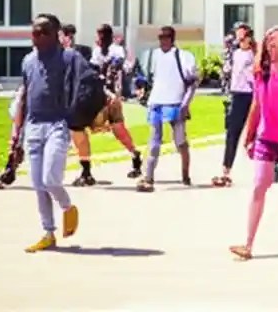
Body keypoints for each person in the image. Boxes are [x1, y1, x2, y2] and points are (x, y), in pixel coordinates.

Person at [230, 26, 278, 261]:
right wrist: (249, 134)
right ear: (265, 46)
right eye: (272, 46)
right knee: (259, 185)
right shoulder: (260, 72)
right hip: (266, 136)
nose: (276, 51)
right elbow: (256, 105)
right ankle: (248, 244)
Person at [18, 14, 81, 252]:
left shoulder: (68, 58)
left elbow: (85, 84)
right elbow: (25, 96)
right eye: (34, 32)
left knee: (50, 179)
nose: (37, 36)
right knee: (38, 185)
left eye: (44, 32)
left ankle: (67, 207)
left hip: (58, 123)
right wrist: (17, 133)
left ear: (56, 35)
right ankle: (48, 233)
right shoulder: (27, 61)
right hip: (33, 126)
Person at [71, 24, 142, 186]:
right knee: (112, 128)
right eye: (98, 36)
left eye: (102, 36)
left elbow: (113, 71)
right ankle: (134, 154)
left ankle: (133, 154)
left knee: (115, 130)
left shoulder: (116, 50)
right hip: (100, 94)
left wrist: (106, 89)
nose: (99, 40)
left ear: (109, 37)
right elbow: (94, 71)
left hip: (111, 97)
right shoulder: (96, 52)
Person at [137, 26, 198, 192]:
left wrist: (185, 104)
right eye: (160, 37)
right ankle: (148, 177)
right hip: (156, 102)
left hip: (175, 103)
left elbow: (193, 82)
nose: (163, 41)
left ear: (172, 39)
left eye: (166, 37)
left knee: (180, 142)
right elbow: (146, 77)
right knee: (154, 141)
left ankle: (185, 174)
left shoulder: (183, 56)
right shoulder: (153, 55)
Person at [213, 23, 255, 187]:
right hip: (236, 94)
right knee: (232, 133)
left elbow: (254, 76)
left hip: (251, 95)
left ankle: (272, 167)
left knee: (258, 132)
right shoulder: (234, 54)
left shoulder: (254, 55)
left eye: (242, 37)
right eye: (238, 37)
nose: (240, 40)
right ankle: (226, 170)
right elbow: (228, 72)